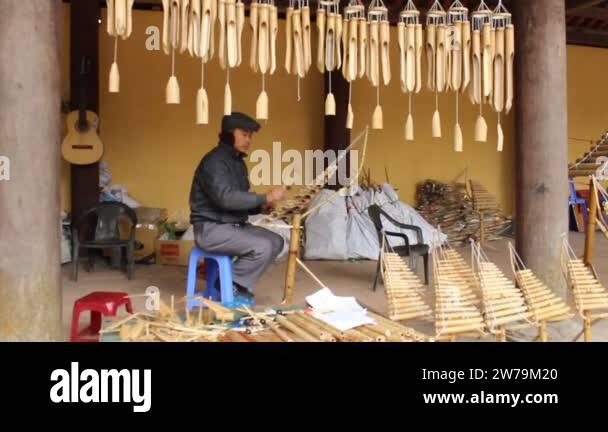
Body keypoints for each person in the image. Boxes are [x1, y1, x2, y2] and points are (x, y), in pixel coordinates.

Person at [189, 112, 286, 305]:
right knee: (262, 246)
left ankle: (233, 283)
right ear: (227, 134)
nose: (248, 140)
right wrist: (264, 196)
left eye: (250, 135)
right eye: (244, 134)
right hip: (211, 229)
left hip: (233, 226)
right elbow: (225, 199)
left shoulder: (238, 164)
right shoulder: (213, 162)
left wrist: (262, 206)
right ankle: (227, 284)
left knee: (276, 241)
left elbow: (239, 203)